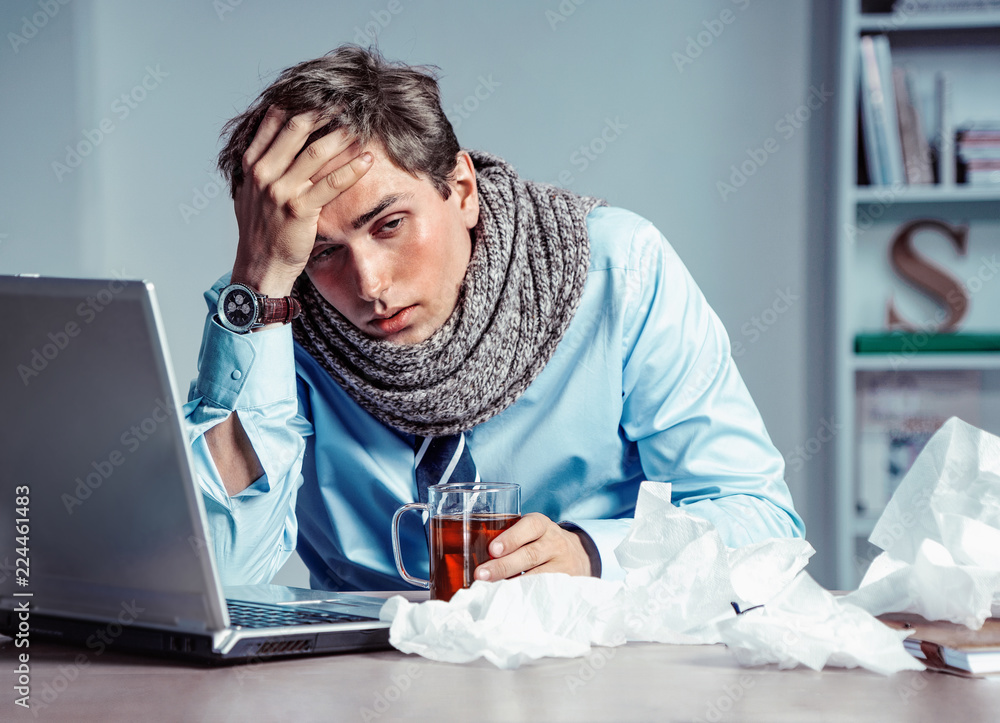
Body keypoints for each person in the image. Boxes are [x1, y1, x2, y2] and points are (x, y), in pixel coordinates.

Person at [184, 45, 804, 592]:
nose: (370, 285)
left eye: (390, 224)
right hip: (368, 679)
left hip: (599, 664)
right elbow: (222, 572)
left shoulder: (619, 274)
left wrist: (592, 554)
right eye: (322, 252)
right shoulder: (270, 318)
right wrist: (259, 289)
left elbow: (761, 524)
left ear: (461, 188)